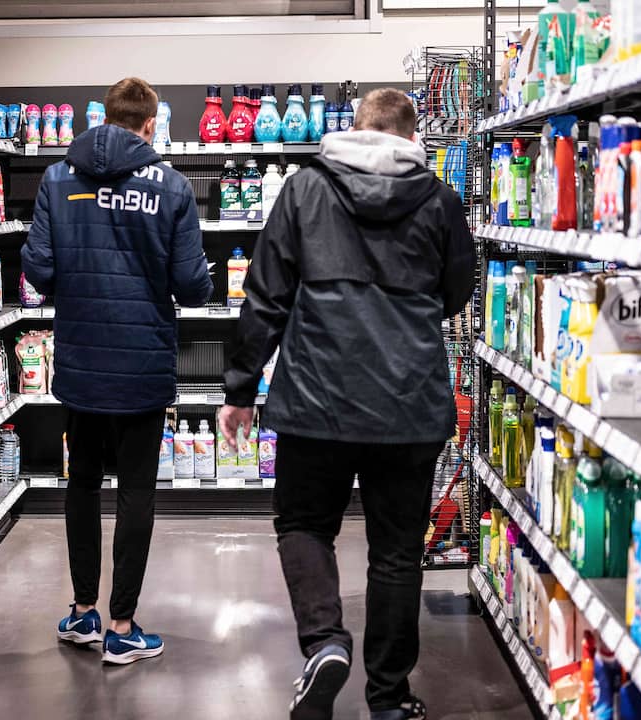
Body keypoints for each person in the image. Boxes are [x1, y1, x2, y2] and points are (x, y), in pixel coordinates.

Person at [218, 88, 476, 719]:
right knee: (396, 551)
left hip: (316, 398)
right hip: (408, 403)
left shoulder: (303, 190)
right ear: (412, 139)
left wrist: (240, 389)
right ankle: (388, 698)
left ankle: (325, 643)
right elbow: (456, 292)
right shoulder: (440, 201)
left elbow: (266, 296)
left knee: (304, 525)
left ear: (354, 129)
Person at [22, 77, 213, 665]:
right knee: (135, 491)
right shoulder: (172, 187)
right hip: (142, 366)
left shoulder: (58, 179)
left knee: (81, 484)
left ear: (102, 118)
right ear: (151, 124)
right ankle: (122, 626)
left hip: (81, 363)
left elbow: (38, 271)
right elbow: (192, 286)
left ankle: (83, 612)